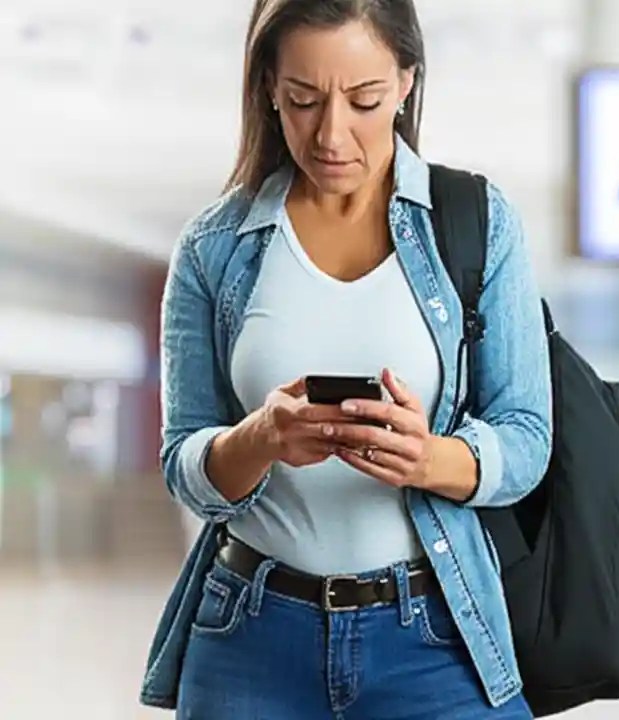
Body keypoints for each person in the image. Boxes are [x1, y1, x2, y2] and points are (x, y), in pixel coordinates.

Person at [138, 1, 551, 717]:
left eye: (363, 101)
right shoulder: (214, 246)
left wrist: (430, 459)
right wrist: (259, 439)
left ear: (405, 84)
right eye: (303, 100)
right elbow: (185, 463)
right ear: (269, 88)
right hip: (251, 636)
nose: (331, 133)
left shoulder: (478, 223)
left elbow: (527, 435)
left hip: (432, 632)